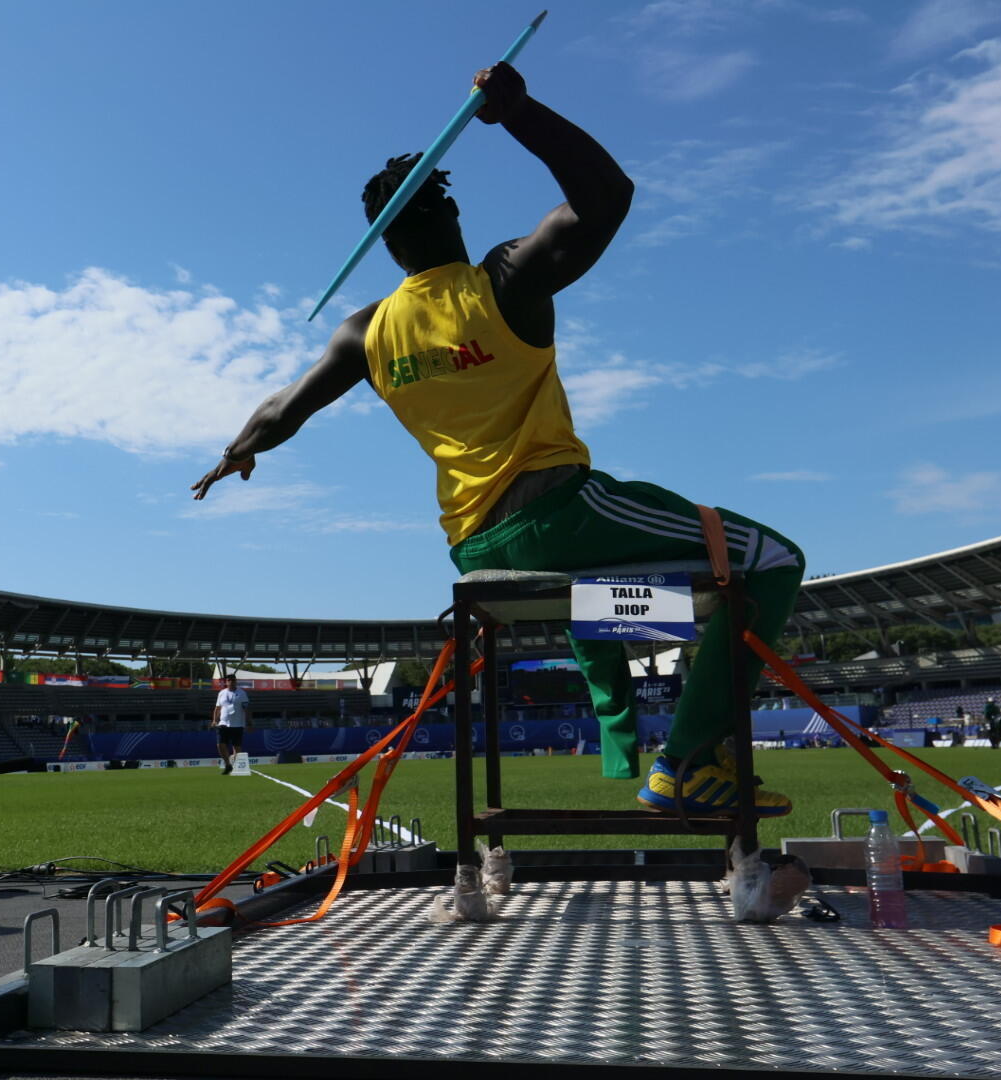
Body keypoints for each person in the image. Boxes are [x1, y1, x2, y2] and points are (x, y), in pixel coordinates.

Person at [192, 62, 802, 818]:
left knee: (624, 599)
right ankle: (686, 762)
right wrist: (520, 114)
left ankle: (631, 740)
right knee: (770, 562)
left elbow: (282, 410)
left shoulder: (365, 333)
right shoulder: (503, 281)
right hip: (558, 517)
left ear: (385, 244)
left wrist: (236, 451)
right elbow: (609, 195)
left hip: (473, 547)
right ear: (452, 213)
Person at [212, 676, 249, 775]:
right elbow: (217, 708)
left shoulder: (242, 693)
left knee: (237, 747)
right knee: (220, 744)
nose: (231, 682)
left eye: (233, 680)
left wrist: (249, 722)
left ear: (236, 682)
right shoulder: (222, 693)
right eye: (229, 680)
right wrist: (214, 720)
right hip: (223, 723)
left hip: (237, 724)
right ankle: (228, 764)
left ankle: (235, 765)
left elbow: (246, 709)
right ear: (226, 682)